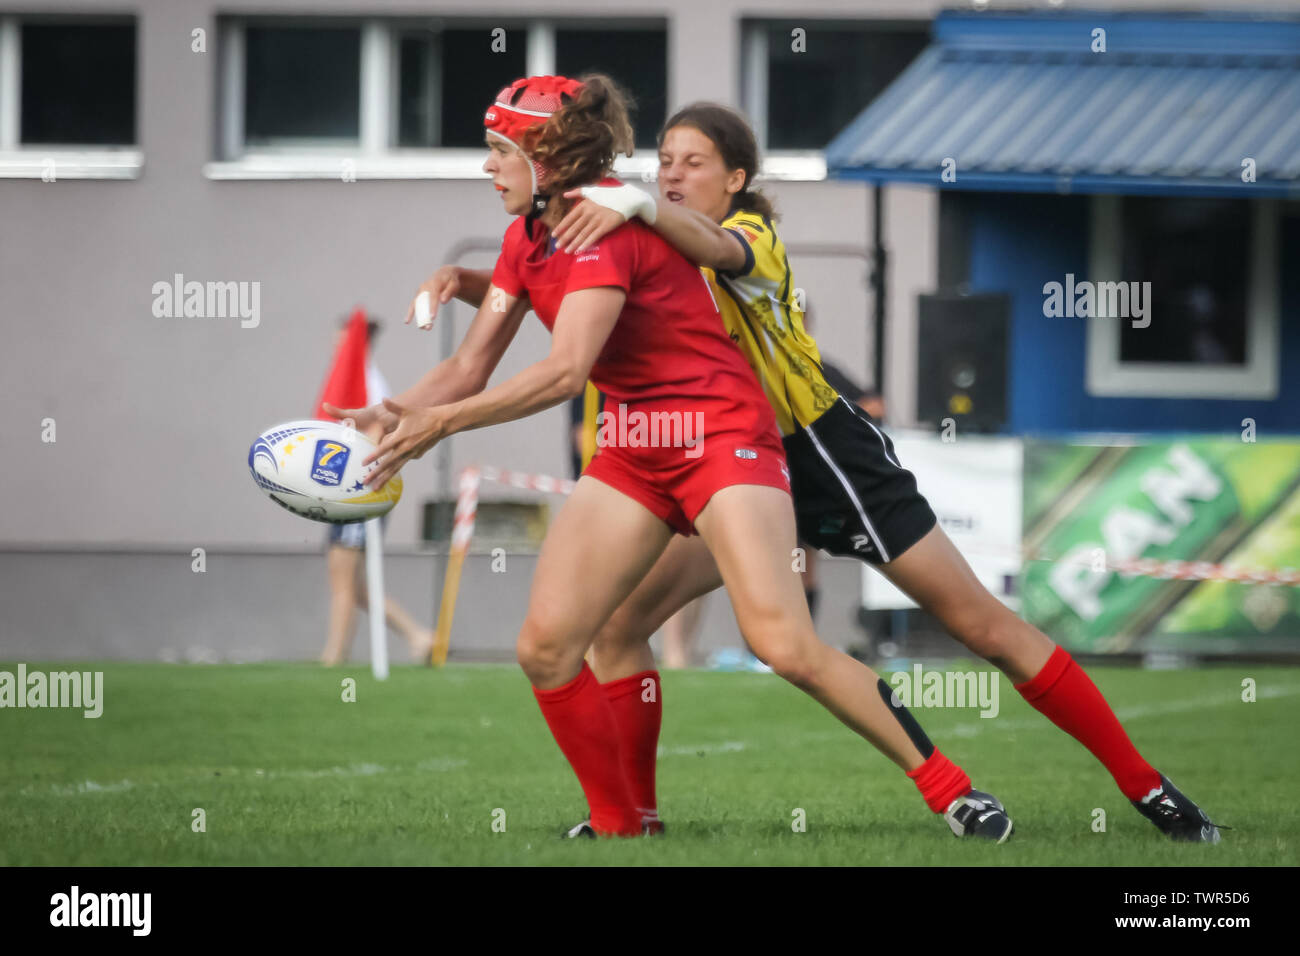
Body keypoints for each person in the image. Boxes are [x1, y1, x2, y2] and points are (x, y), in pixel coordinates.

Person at [427, 101, 1221, 843]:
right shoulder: (635, 232)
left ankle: (1145, 784)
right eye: (664, 161)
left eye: (694, 162)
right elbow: (562, 290)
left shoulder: (744, 232)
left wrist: (637, 205)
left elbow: (717, 250)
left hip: (821, 454)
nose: (671, 175)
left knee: (983, 627)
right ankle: (633, 822)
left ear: (735, 179)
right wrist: (471, 283)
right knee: (619, 627)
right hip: (721, 459)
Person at [332, 74, 1011, 840]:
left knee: (782, 645)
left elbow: (564, 371)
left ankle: (952, 789)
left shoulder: (603, 226)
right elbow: (466, 369)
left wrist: (442, 425)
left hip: (719, 435)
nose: (487, 168)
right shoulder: (529, 236)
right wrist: (390, 418)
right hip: (633, 447)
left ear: (547, 155)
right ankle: (623, 825)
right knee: (549, 648)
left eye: (498, 152)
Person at [320, 319, 434, 667]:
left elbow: (373, 439)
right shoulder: (350, 382)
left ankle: (334, 657)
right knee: (353, 584)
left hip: (359, 494)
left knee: (344, 579)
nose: (338, 348)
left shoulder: (368, 383)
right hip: (346, 494)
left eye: (344, 341)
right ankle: (419, 635)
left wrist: (351, 482)